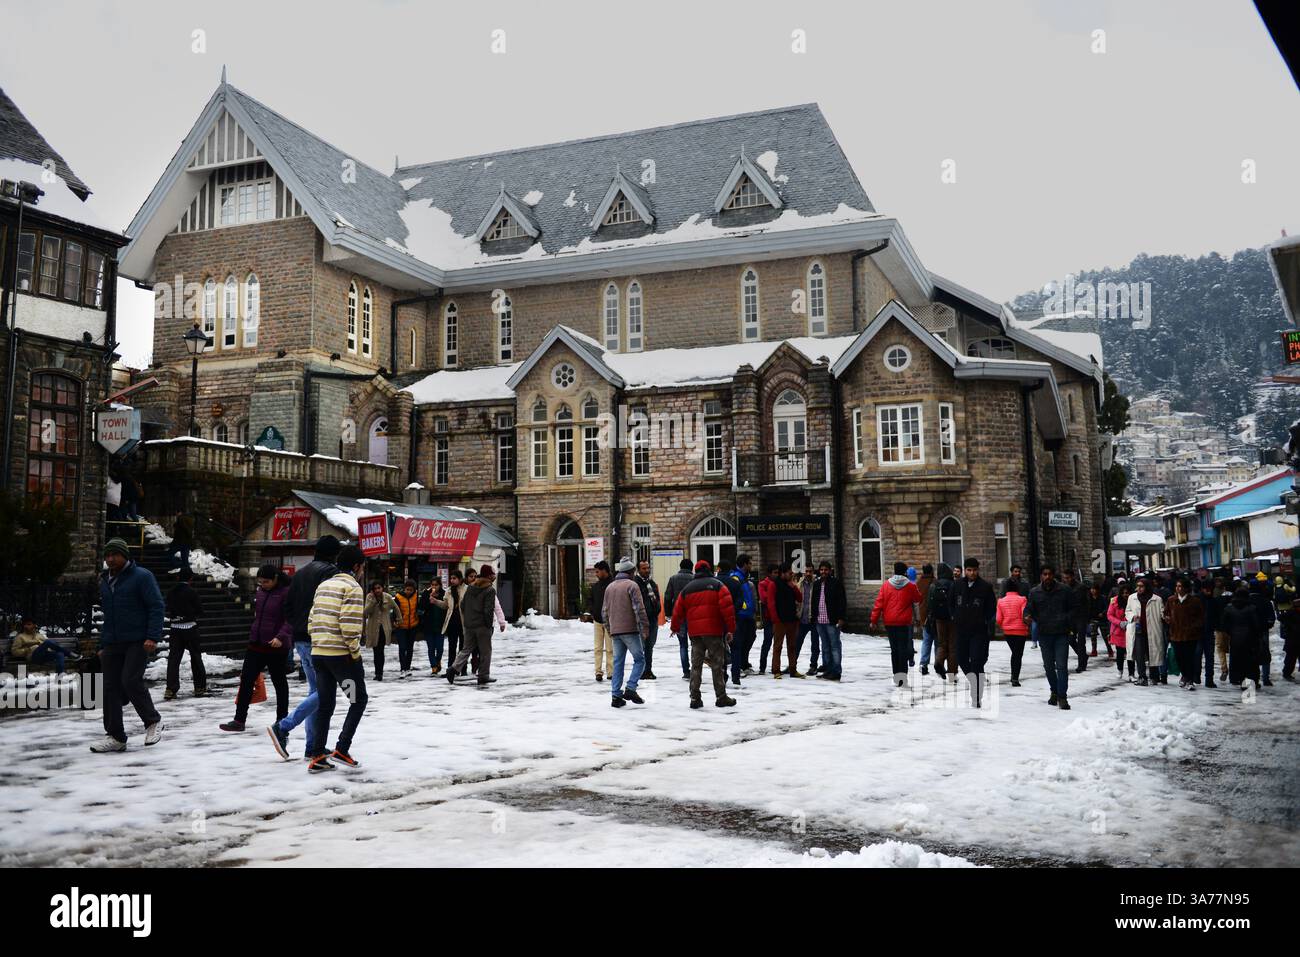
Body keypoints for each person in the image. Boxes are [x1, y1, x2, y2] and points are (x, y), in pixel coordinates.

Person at [267, 535, 338, 761]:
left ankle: (312, 747)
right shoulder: (329, 573)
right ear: (334, 554)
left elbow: (287, 606)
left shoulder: (301, 573)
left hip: (300, 638)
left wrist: (298, 627)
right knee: (325, 691)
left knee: (316, 691)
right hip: (318, 638)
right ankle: (284, 726)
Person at [90, 538, 164, 753]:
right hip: (113, 641)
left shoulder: (142, 577)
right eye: (107, 555)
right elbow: (109, 615)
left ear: (125, 555)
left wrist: (152, 636)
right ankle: (115, 736)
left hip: (138, 639)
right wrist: (103, 644)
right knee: (109, 687)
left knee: (130, 680)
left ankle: (153, 722)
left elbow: (156, 606)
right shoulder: (105, 580)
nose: (110, 559)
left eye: (115, 554)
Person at [306, 544, 368, 772]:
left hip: (319, 655)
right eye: (362, 567)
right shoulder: (352, 587)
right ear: (356, 566)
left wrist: (318, 642)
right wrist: (354, 653)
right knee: (357, 699)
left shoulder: (324, 585)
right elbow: (349, 625)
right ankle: (342, 747)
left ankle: (317, 755)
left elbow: (312, 618)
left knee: (325, 704)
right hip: (341, 659)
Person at [220, 564, 292, 731]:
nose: (262, 585)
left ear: (275, 578)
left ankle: (282, 719)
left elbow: (291, 619)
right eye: (260, 582)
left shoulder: (286, 593)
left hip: (276, 646)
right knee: (246, 680)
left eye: (266, 582)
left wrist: (281, 637)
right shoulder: (260, 592)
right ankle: (239, 720)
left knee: (279, 683)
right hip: (256, 643)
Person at [670, 559, 737, 709]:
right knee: (717, 664)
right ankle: (721, 697)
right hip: (713, 631)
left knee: (696, 665)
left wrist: (674, 627)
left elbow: (677, 610)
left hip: (695, 633)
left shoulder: (687, 589)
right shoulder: (718, 585)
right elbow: (728, 608)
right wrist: (731, 628)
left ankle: (695, 698)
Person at [1025, 564, 1074, 709]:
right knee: (1048, 667)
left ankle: (1062, 696)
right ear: (1041, 576)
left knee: (1062, 666)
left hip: (1061, 633)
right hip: (1044, 633)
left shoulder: (1064, 590)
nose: (1047, 577)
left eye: (1050, 574)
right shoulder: (1035, 592)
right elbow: (1029, 608)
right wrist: (1026, 616)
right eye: (1044, 574)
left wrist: (1066, 619)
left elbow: (1074, 608)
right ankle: (1054, 690)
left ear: (1053, 575)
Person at [447, 564, 505, 686]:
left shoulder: (471, 587)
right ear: (489, 576)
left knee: (466, 649)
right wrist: (489, 625)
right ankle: (483, 675)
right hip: (483, 626)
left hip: (469, 625)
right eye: (493, 574)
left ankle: (452, 669)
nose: (494, 576)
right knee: (485, 651)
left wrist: (469, 617)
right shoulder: (489, 590)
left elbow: (462, 605)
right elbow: (488, 609)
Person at [603, 557, 650, 707]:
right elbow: (639, 609)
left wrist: (609, 629)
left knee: (618, 663)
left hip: (615, 630)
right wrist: (645, 627)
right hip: (630, 629)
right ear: (630, 571)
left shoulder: (610, 587)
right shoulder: (632, 585)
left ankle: (616, 696)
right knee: (640, 659)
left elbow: (604, 611)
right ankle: (630, 687)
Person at [950, 557, 996, 708]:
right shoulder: (957, 585)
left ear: (978, 570)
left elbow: (991, 607)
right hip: (961, 629)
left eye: (974, 570)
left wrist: (985, 620)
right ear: (965, 570)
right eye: (969, 570)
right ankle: (974, 680)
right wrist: (954, 616)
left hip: (978, 630)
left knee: (977, 661)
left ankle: (976, 696)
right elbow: (951, 603)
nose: (972, 573)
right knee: (962, 659)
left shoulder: (985, 587)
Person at [871, 561, 923, 687]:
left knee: (894, 650)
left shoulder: (886, 585)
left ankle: (896, 676)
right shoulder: (910, 586)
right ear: (905, 572)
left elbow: (879, 604)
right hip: (904, 622)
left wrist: (873, 620)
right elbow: (918, 599)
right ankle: (902, 677)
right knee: (903, 649)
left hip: (890, 622)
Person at [163, 569, 207, 699]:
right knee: (196, 657)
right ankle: (199, 687)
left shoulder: (171, 592)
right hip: (189, 628)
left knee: (174, 659)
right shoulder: (191, 592)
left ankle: (170, 689)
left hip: (175, 628)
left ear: (177, 577)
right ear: (190, 579)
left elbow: (168, 608)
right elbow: (200, 610)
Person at [1125, 577, 1167, 687]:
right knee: (1139, 654)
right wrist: (1132, 617)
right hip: (1138, 630)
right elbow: (1127, 611)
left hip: (1152, 629)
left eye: (1141, 586)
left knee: (1152, 653)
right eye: (1137, 586)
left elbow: (1162, 612)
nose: (1139, 588)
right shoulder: (1132, 598)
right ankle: (1142, 676)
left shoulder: (1156, 599)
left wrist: (1165, 617)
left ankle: (1154, 676)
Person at [1165, 577, 1205, 690]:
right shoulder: (1171, 600)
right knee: (1179, 657)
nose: (1178, 588)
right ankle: (1185, 675)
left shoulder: (1195, 601)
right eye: (1177, 586)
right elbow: (1166, 613)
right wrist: (1167, 618)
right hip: (1175, 634)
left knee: (1190, 657)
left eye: (1180, 586)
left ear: (1186, 588)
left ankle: (1190, 679)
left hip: (1190, 635)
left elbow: (1201, 617)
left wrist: (1194, 627)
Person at [809, 561, 846, 681]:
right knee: (825, 646)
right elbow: (814, 601)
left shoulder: (836, 583)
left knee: (835, 646)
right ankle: (827, 669)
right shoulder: (817, 584)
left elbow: (842, 601)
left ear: (830, 571)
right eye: (821, 570)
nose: (823, 572)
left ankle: (836, 671)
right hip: (819, 620)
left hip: (832, 620)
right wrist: (813, 617)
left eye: (826, 570)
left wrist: (841, 618)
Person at [9, 616, 79, 674]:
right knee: (47, 642)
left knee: (60, 654)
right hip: (33, 657)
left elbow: (48, 646)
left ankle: (59, 678)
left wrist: (47, 649)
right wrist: (28, 649)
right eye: (25, 624)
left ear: (34, 625)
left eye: (29, 624)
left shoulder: (39, 635)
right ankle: (69, 653)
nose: (26, 626)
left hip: (44, 656)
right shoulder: (20, 637)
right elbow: (14, 651)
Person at [769, 562, 804, 679]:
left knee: (792, 646)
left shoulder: (791, 585)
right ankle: (776, 670)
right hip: (780, 620)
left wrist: (793, 586)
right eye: (790, 573)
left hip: (792, 620)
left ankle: (793, 669)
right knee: (778, 646)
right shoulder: (774, 585)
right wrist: (775, 619)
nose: (792, 575)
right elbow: (771, 603)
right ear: (783, 573)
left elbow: (799, 598)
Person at [664, 558, 695, 680]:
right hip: (693, 616)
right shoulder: (695, 579)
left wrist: (668, 613)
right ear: (691, 567)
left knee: (683, 645)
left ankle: (686, 671)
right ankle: (695, 668)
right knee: (695, 644)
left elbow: (667, 597)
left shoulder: (673, 579)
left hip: (679, 615)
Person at [928, 563, 957, 683]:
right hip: (952, 619)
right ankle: (952, 674)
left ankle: (939, 661)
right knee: (953, 646)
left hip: (939, 619)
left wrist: (932, 617)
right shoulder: (953, 584)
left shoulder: (934, 585)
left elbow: (930, 603)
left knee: (941, 643)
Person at [995, 582, 1029, 686]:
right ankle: (1015, 678)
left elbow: (998, 619)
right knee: (1017, 655)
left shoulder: (1001, 601)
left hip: (1008, 631)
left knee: (1015, 653)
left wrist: (1004, 625)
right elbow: (1025, 615)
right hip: (1020, 631)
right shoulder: (1022, 599)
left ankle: (1014, 677)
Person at [634, 559, 662, 680]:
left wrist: (657, 609)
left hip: (652, 619)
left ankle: (648, 670)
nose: (647, 570)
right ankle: (641, 670)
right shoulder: (635, 584)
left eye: (648, 568)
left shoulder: (651, 582)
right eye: (644, 568)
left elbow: (656, 598)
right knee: (642, 646)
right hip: (641, 620)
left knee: (650, 645)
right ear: (638, 570)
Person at [363, 580, 396, 681]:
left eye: (379, 588)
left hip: (383, 628)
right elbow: (365, 612)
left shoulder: (387, 597)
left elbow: (396, 607)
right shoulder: (369, 597)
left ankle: (379, 673)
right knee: (375, 651)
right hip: (373, 628)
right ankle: (377, 672)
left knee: (380, 651)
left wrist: (398, 619)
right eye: (375, 588)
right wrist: (373, 602)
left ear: (382, 588)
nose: (377, 590)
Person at [1061, 568, 1090, 673]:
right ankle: (1083, 656)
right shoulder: (1063, 587)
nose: (1066, 580)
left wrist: (1087, 618)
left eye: (1067, 578)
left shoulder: (1080, 587)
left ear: (1072, 577)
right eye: (1064, 578)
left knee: (1081, 641)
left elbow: (1084, 603)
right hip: (1070, 618)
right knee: (1070, 639)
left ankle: (1081, 664)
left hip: (1080, 617)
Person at [588, 561, 613, 682]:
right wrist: (593, 612)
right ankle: (598, 672)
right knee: (597, 648)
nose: (596, 574)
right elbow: (590, 600)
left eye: (597, 571)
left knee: (610, 648)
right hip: (597, 620)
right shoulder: (595, 587)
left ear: (604, 571)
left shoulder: (613, 585)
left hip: (610, 621)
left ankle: (611, 672)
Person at [1248, 580, 1276, 687]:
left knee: (1250, 654)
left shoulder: (1247, 601)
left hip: (1249, 632)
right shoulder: (1266, 601)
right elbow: (1272, 619)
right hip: (1263, 631)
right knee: (1264, 652)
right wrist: (1266, 626)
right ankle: (1265, 678)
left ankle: (1252, 677)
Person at [417, 579, 448, 675]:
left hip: (440, 625)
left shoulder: (445, 594)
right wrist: (429, 600)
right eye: (432, 584)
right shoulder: (426, 594)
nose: (434, 587)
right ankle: (433, 666)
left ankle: (438, 660)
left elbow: (447, 607)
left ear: (440, 585)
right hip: (428, 625)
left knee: (439, 648)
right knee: (431, 647)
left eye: (436, 585)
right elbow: (421, 608)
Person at [392, 579, 421, 679]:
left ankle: (408, 668)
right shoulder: (398, 597)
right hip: (401, 626)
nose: (408, 591)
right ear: (404, 589)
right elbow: (395, 611)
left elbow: (418, 608)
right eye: (407, 589)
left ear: (414, 590)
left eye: (411, 590)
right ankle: (402, 669)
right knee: (402, 648)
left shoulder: (416, 596)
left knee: (410, 648)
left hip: (412, 626)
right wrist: (394, 621)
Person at [794, 565, 817, 674]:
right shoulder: (799, 584)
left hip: (813, 619)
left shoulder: (817, 584)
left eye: (810, 571)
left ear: (813, 572)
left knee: (815, 644)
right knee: (797, 643)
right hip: (802, 619)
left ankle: (813, 666)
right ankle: (792, 665)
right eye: (806, 571)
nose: (808, 573)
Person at [441, 570, 466, 671]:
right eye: (451, 578)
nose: (452, 580)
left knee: (463, 648)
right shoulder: (449, 590)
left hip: (464, 622)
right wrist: (435, 601)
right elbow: (445, 605)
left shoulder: (467, 589)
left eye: (454, 578)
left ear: (460, 579)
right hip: (452, 622)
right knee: (452, 647)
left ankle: (462, 669)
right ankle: (450, 669)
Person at [757, 564, 780, 674]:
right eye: (774, 572)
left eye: (777, 572)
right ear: (769, 573)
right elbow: (765, 598)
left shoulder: (779, 583)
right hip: (768, 617)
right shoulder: (763, 584)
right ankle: (762, 667)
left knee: (778, 643)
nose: (776, 575)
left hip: (778, 617)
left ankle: (775, 666)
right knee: (767, 642)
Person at [1196, 579, 1219, 688]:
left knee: (1209, 657)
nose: (1209, 591)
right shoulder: (1196, 600)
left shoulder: (1213, 601)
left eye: (1211, 589)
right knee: (1197, 655)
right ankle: (1196, 676)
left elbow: (1216, 616)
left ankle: (1209, 679)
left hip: (1209, 632)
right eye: (1207, 589)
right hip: (1197, 632)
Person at [1107, 582, 1131, 679]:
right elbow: (1109, 615)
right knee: (1120, 653)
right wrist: (1120, 622)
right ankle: (1120, 670)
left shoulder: (1133, 600)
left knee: (1130, 653)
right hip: (1118, 631)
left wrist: (1127, 622)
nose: (1126, 595)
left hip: (1130, 630)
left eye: (1127, 593)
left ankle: (1131, 673)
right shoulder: (1114, 601)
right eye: (1124, 593)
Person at [915, 564, 935, 675]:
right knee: (938, 641)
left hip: (924, 616)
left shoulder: (918, 583)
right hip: (935, 616)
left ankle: (923, 664)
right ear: (931, 571)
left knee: (926, 641)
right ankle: (938, 663)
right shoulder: (935, 582)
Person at [1087, 582, 1111, 659]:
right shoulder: (1089, 598)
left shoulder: (1103, 598)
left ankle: (1109, 650)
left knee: (1105, 636)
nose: (1093, 591)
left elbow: (1107, 607)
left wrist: (1103, 613)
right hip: (1093, 619)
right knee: (1093, 635)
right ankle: (1094, 650)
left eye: (1094, 589)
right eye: (1092, 589)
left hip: (1102, 619)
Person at [1277, 593, 1298, 681]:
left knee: (1290, 658)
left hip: (1292, 639)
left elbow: (1280, 618)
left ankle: (1287, 673)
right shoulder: (1290, 613)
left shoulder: (1290, 613)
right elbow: (1280, 618)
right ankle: (1287, 673)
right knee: (1290, 658)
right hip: (1292, 639)